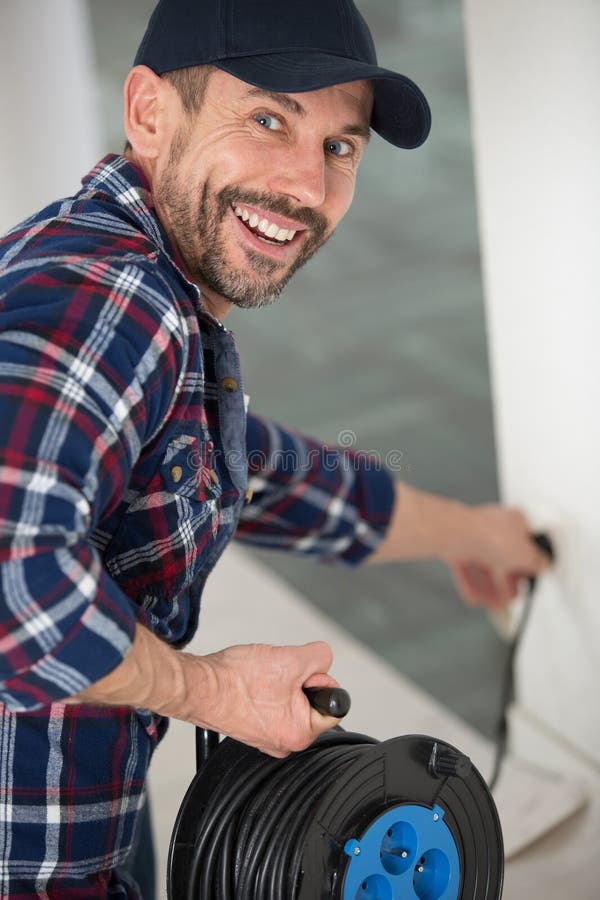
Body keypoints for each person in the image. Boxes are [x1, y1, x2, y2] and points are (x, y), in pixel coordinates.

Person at [0, 0, 549, 896]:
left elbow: (257, 471)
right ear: (149, 112)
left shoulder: (136, 283)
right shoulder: (116, 301)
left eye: (340, 146)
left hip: (84, 801)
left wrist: (474, 535)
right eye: (267, 120)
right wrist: (214, 693)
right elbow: (12, 576)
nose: (306, 185)